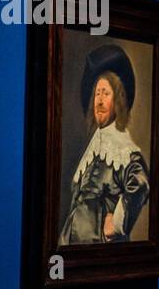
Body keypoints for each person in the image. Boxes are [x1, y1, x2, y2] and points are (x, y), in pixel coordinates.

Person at [58, 43, 149, 244]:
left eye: (106, 94)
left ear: (118, 101)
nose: (99, 101)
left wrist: (116, 223)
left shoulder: (124, 149)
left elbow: (141, 184)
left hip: (99, 250)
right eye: (97, 94)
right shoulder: (93, 149)